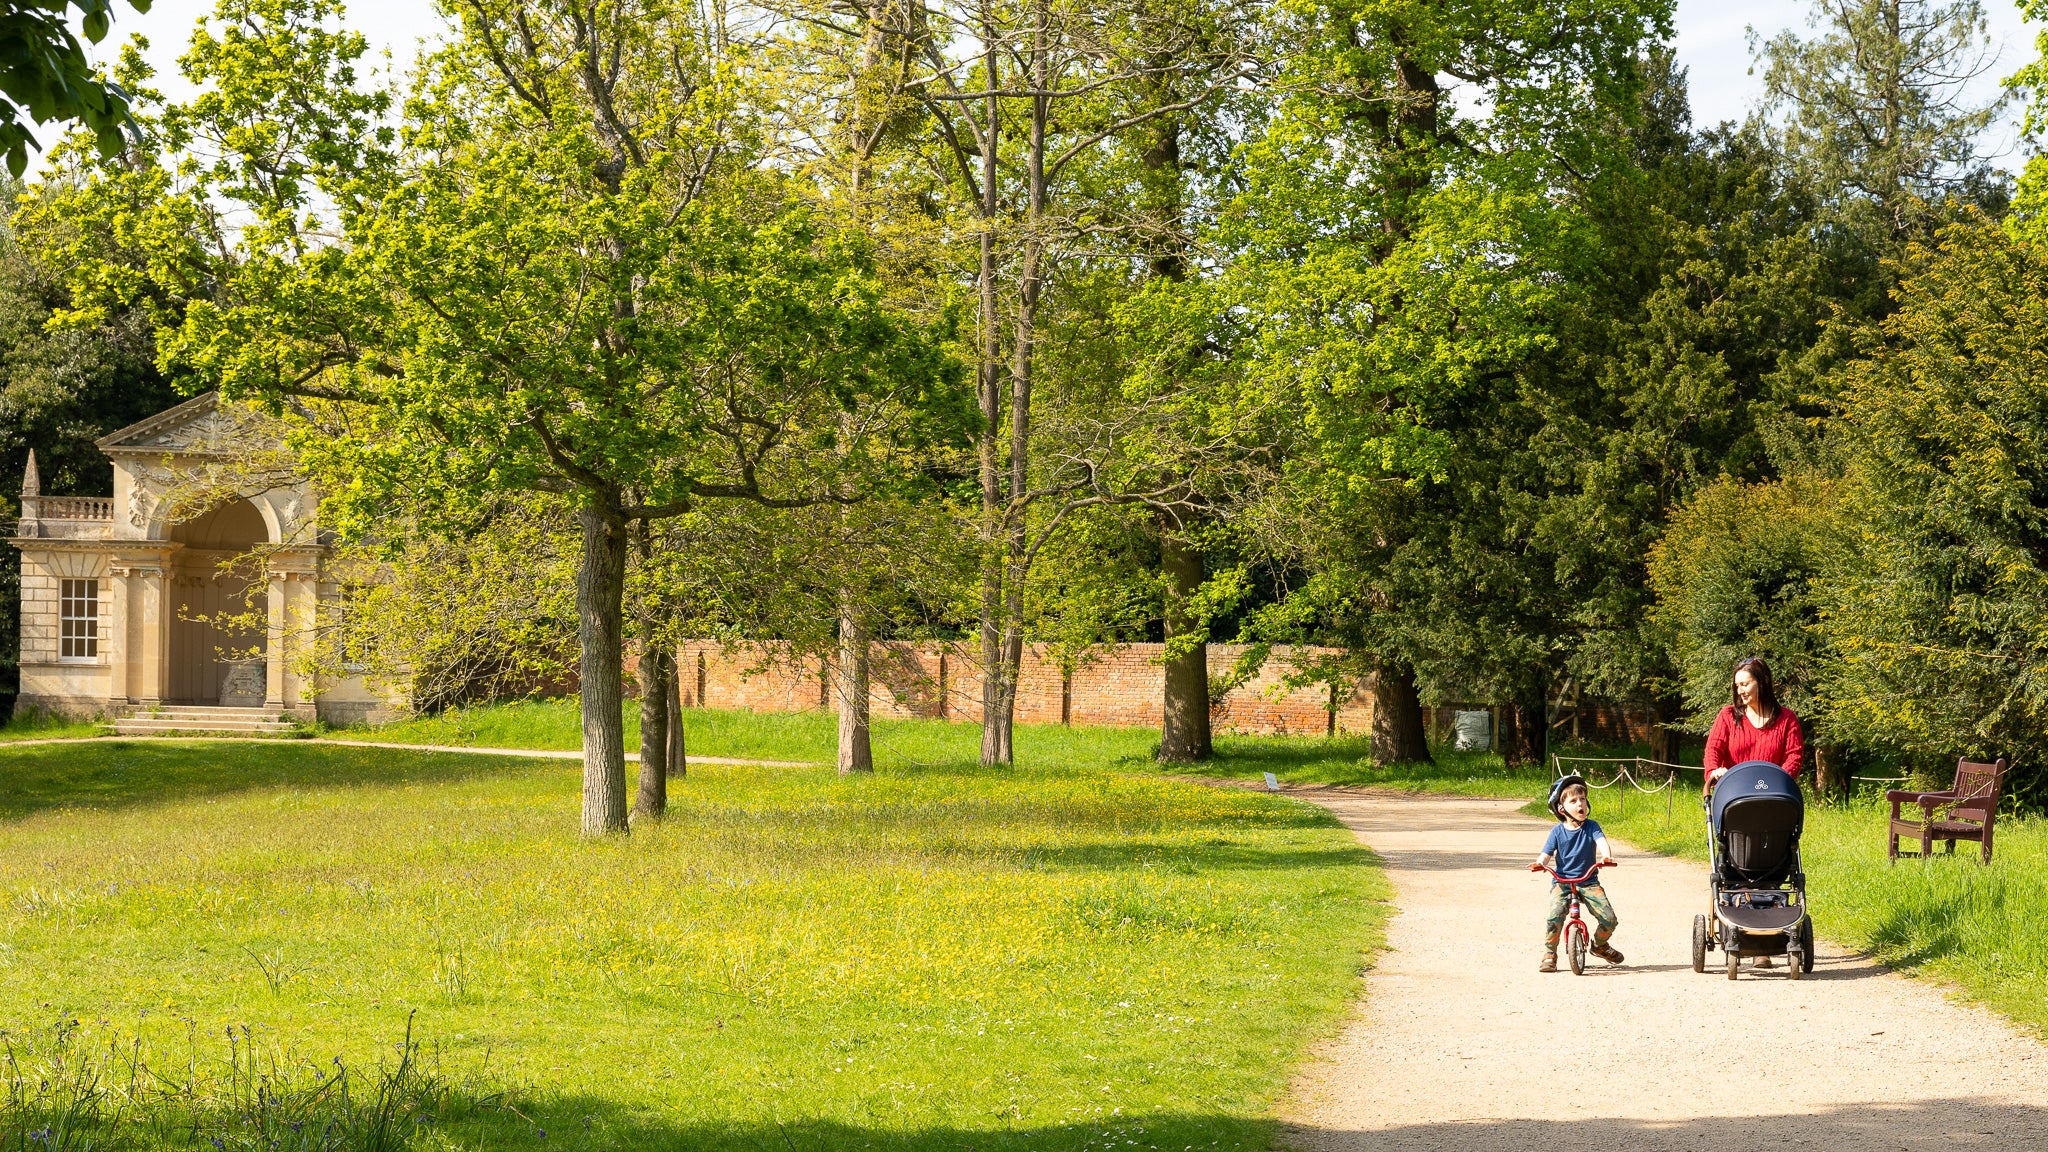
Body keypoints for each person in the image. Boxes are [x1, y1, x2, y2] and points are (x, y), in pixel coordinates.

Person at [1528, 775, 1622, 972]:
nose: (1580, 804)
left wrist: (1606, 856)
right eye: (1573, 801)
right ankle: (1549, 954)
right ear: (1562, 809)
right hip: (1562, 882)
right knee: (1554, 916)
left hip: (1588, 882)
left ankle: (1599, 945)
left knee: (1609, 918)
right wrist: (1540, 863)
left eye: (1583, 799)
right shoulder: (1557, 832)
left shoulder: (1592, 826)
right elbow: (1546, 854)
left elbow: (1602, 842)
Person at [1703, 656, 1805, 790]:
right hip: (1733, 793)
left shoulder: (1787, 719)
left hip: (1772, 793)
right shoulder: (1727, 716)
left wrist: (1775, 782)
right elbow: (1713, 750)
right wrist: (1714, 771)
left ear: (1764, 682)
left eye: (1744, 685)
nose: (1739, 691)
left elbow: (1794, 757)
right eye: (1737, 686)